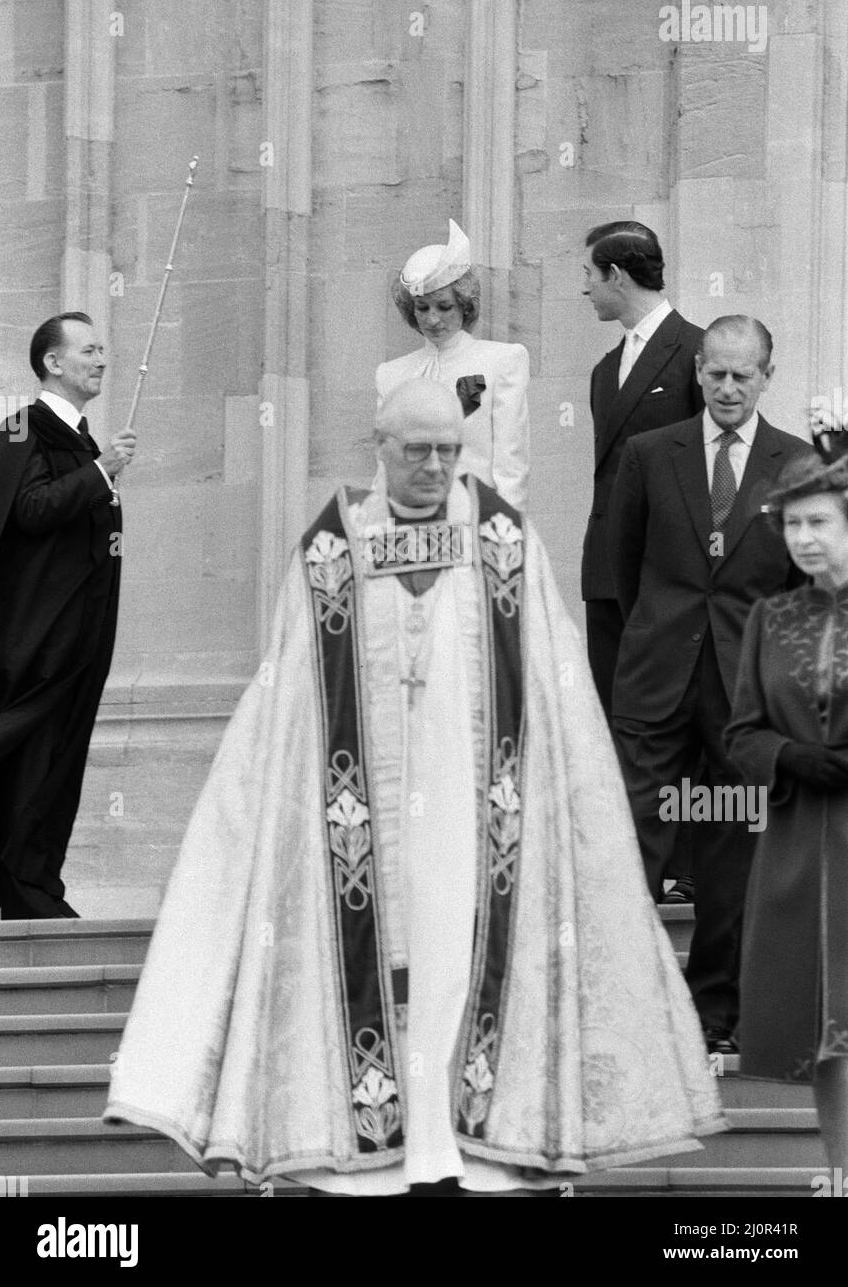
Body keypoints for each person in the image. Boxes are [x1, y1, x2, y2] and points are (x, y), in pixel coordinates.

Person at [105, 378, 723, 1196]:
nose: (435, 466)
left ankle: (464, 1140)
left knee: (460, 960)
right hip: (358, 816)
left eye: (448, 450)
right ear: (379, 449)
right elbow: (288, 701)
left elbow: (551, 684)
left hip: (478, 810)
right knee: (391, 962)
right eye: (417, 451)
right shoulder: (331, 548)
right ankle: (379, 1144)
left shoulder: (504, 539)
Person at [608, 315, 810, 1055]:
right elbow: (621, 570)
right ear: (697, 371)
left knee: (732, 856)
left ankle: (714, 1016)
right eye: (715, 373)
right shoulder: (646, 454)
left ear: (767, 376)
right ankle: (627, 1010)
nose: (727, 388)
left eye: (742, 375)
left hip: (746, 704)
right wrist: (661, 637)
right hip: (653, 687)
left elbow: (799, 589)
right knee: (633, 845)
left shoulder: (796, 464)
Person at [0, 312, 136, 920]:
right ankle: (28, 887)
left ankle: (35, 886)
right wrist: (100, 473)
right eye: (90, 349)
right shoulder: (25, 429)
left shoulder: (76, 438)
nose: (102, 360)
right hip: (38, 638)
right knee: (24, 749)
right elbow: (28, 512)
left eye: (103, 349)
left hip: (78, 636)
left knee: (56, 761)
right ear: (53, 362)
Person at [726, 450, 848, 1173]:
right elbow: (740, 733)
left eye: (819, 523)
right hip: (800, 844)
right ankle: (840, 1177)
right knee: (825, 1031)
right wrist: (789, 756)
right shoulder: (770, 619)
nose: (803, 538)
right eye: (792, 524)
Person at [581, 221, 703, 723]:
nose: (584, 287)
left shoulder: (698, 351)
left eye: (588, 274)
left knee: (673, 722)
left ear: (616, 275)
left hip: (668, 574)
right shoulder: (605, 370)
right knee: (614, 724)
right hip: (607, 575)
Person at [376, 219, 529, 509]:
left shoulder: (502, 360)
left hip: (474, 524)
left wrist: (509, 536)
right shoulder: (391, 375)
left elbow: (511, 466)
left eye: (444, 306)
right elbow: (385, 468)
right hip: (408, 532)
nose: (433, 319)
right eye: (422, 308)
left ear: (464, 304)